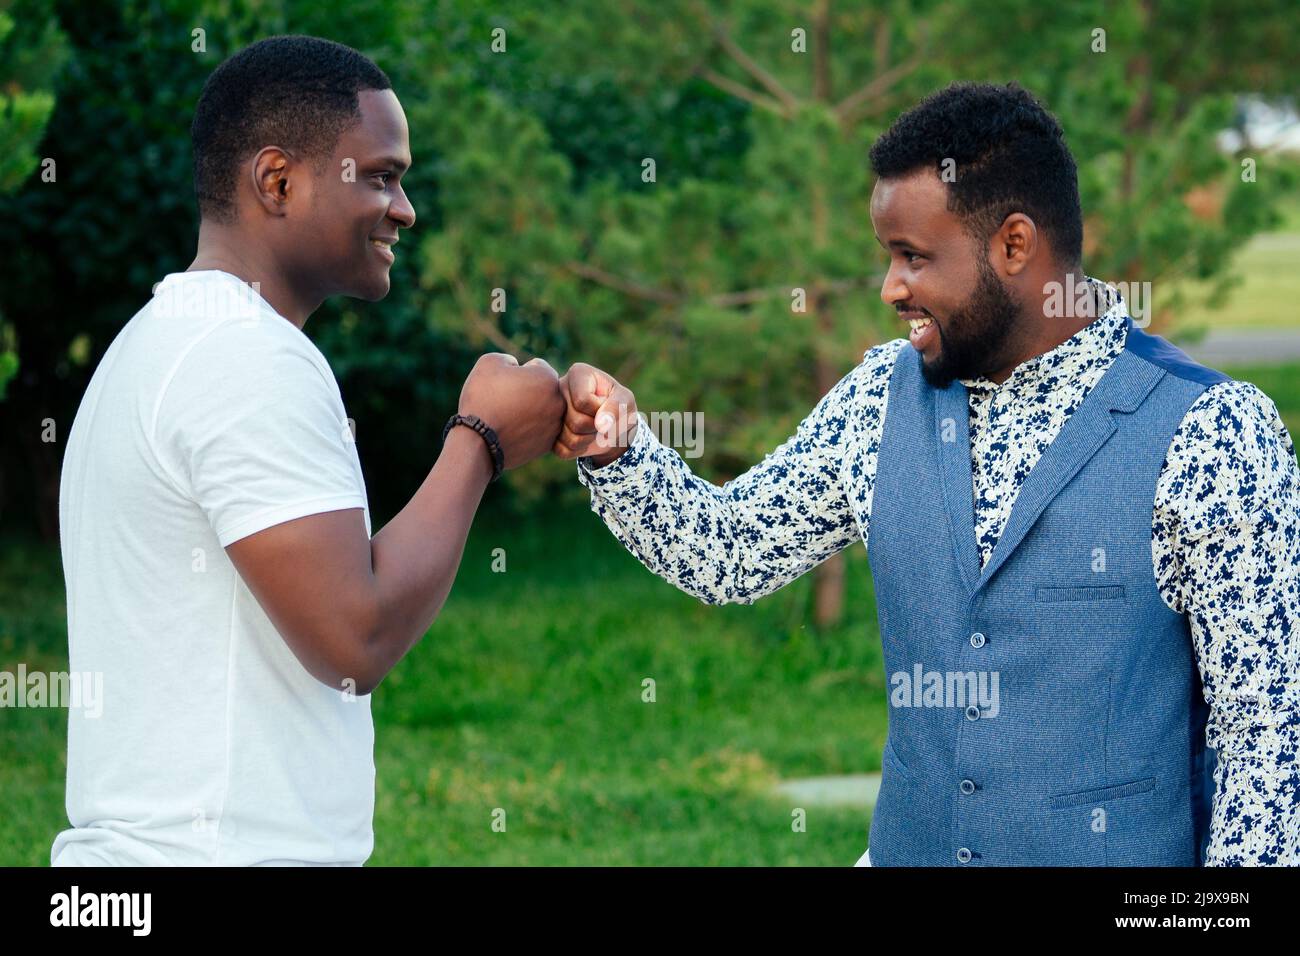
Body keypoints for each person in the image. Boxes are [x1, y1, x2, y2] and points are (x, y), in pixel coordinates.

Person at [554, 82, 1300, 866]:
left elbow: (1267, 739)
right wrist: (618, 450)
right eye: (889, 256)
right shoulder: (882, 395)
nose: (890, 288)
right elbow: (731, 551)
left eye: (914, 257)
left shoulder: (1213, 434)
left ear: (1015, 246)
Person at [52, 35, 564, 866]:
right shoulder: (244, 356)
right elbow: (352, 640)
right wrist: (482, 442)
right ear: (278, 181)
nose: (406, 209)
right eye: (383, 176)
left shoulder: (156, 341)